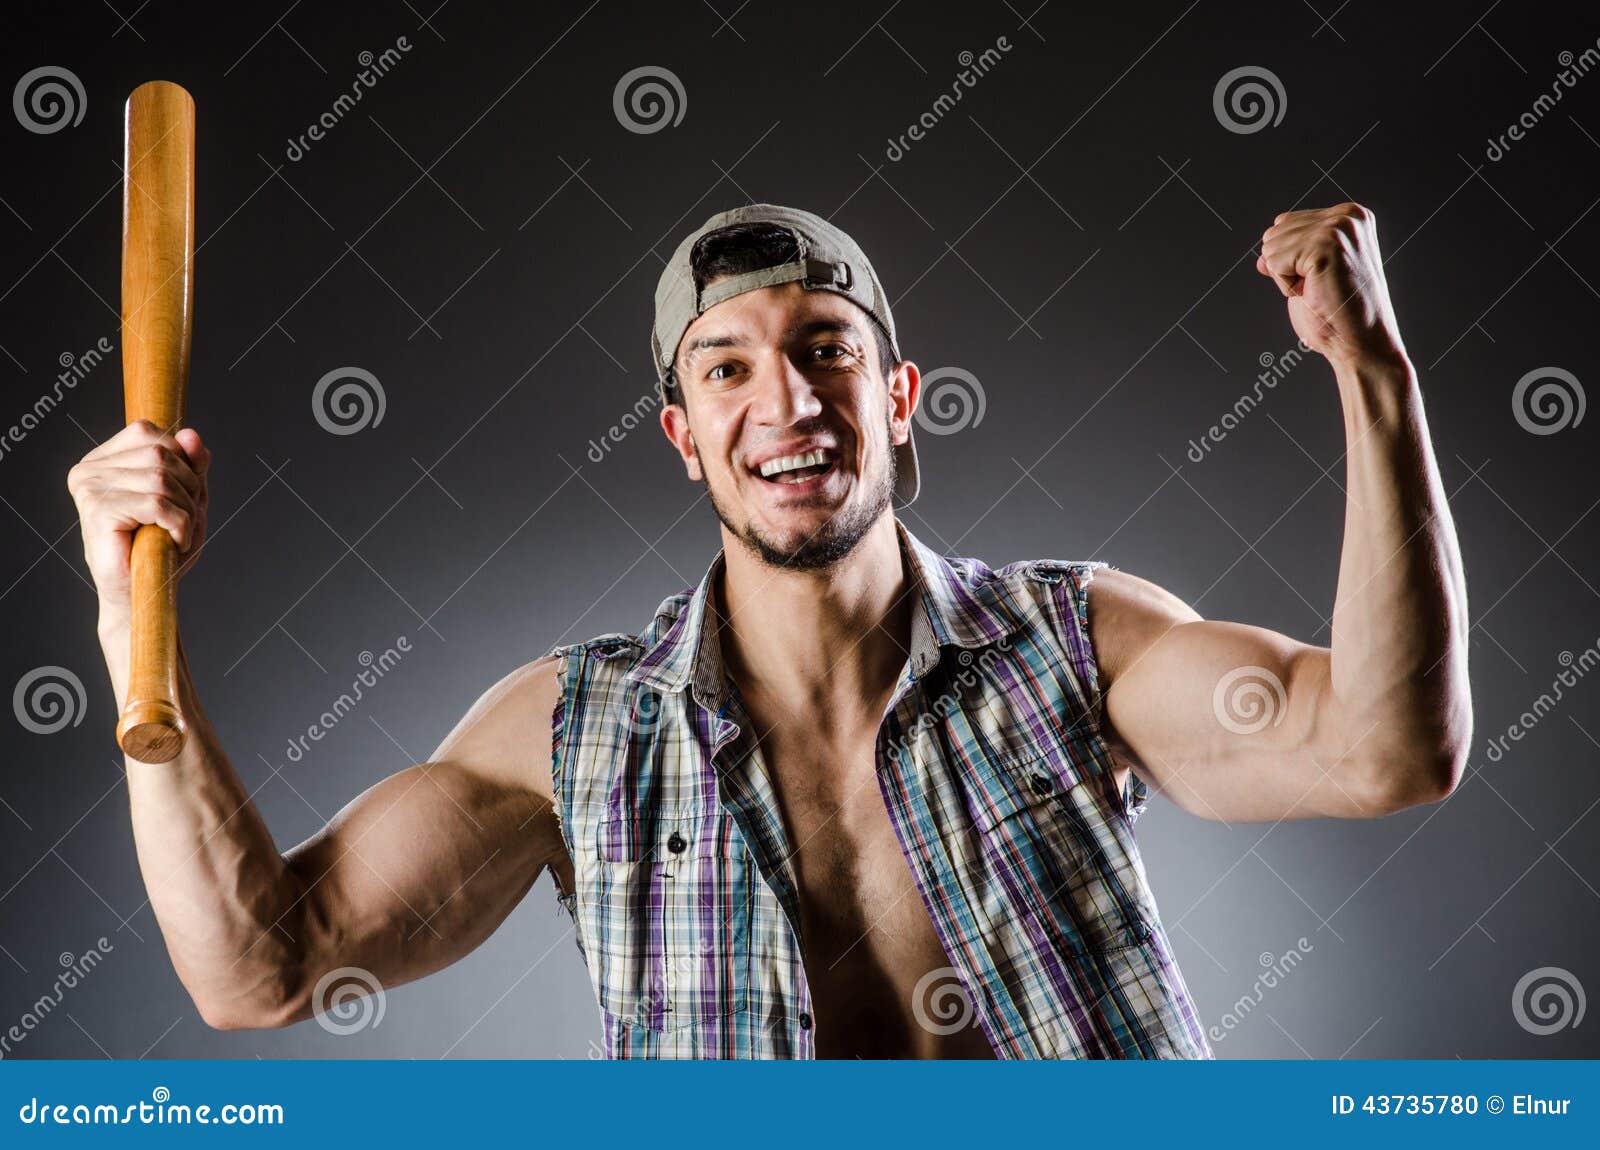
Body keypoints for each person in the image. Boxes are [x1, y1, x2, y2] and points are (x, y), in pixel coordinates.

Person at [68, 202, 1471, 1059]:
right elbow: (259, 967)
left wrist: (1376, 374)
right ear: (684, 437)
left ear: (900, 396)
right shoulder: (574, 731)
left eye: (824, 350)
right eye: (727, 368)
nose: (787, 403)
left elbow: (1387, 746)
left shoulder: (1077, 647)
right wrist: (134, 612)